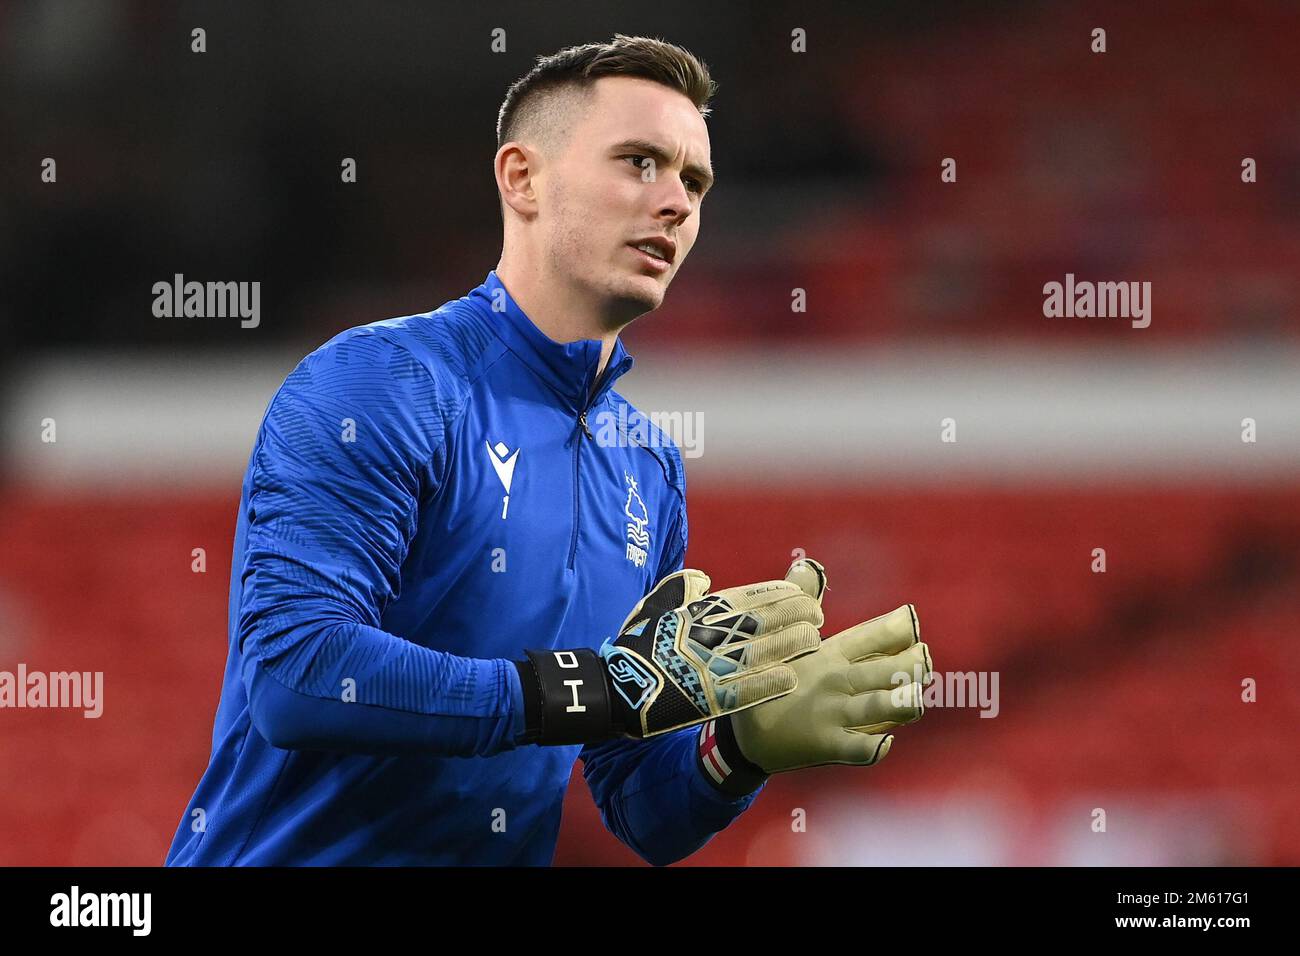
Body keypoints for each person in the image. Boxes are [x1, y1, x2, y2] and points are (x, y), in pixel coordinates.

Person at [166, 34, 931, 867]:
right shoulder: (380, 381)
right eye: (640, 162)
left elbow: (639, 803)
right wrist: (585, 688)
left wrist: (738, 748)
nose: (676, 202)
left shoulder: (645, 465)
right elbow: (297, 674)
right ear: (522, 179)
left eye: (695, 182)